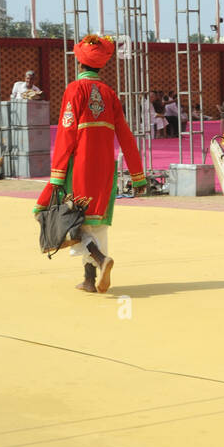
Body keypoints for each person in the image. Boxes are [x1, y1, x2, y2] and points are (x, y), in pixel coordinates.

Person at [33, 35, 148, 293]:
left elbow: (66, 132)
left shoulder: (74, 89)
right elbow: (127, 137)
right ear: (101, 64)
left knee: (68, 219)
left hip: (79, 165)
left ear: (79, 62)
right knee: (96, 221)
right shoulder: (109, 93)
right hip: (105, 166)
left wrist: (56, 175)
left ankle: (99, 258)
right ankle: (89, 279)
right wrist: (138, 176)